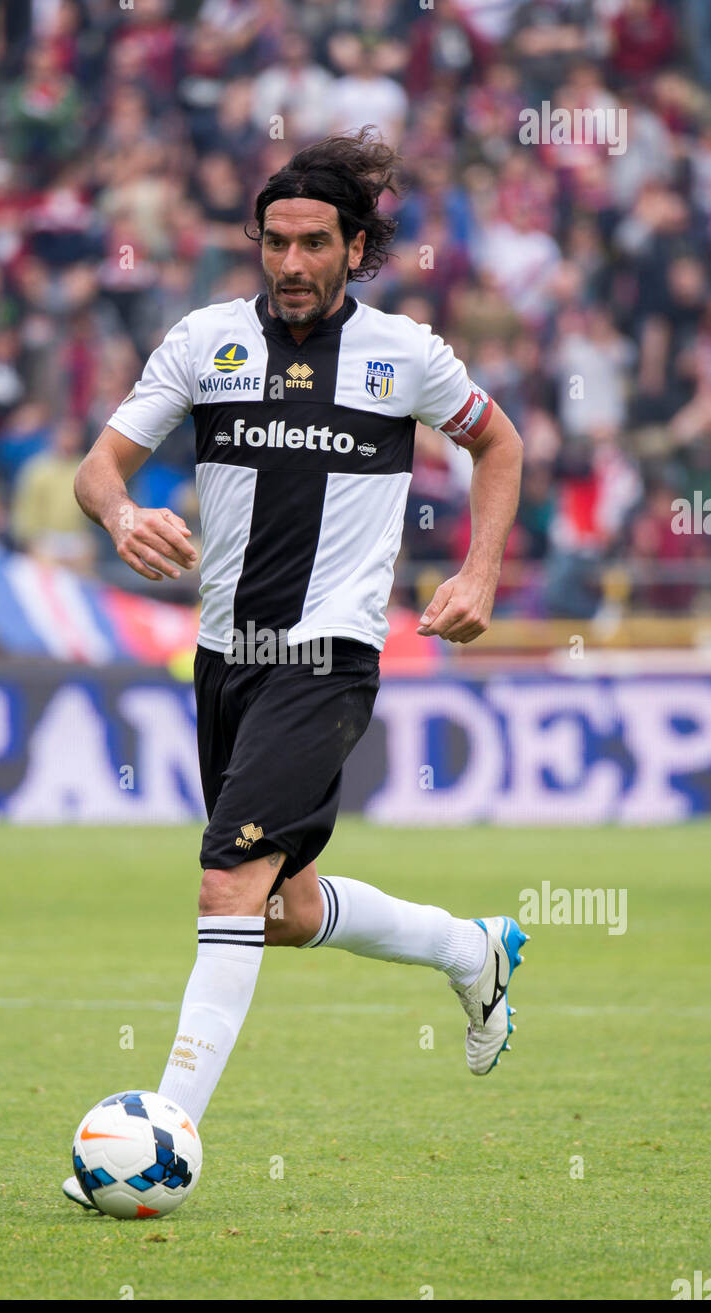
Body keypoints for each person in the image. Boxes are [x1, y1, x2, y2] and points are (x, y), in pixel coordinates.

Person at [64, 129, 527, 1211]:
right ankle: (471, 950)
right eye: (274, 241)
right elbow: (99, 468)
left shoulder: (405, 355)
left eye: (315, 241)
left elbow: (497, 444)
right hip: (225, 658)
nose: (290, 262)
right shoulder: (205, 340)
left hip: (326, 658)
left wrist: (482, 569)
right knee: (272, 905)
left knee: (227, 878)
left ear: (355, 247)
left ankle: (162, 1132)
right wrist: (124, 515)